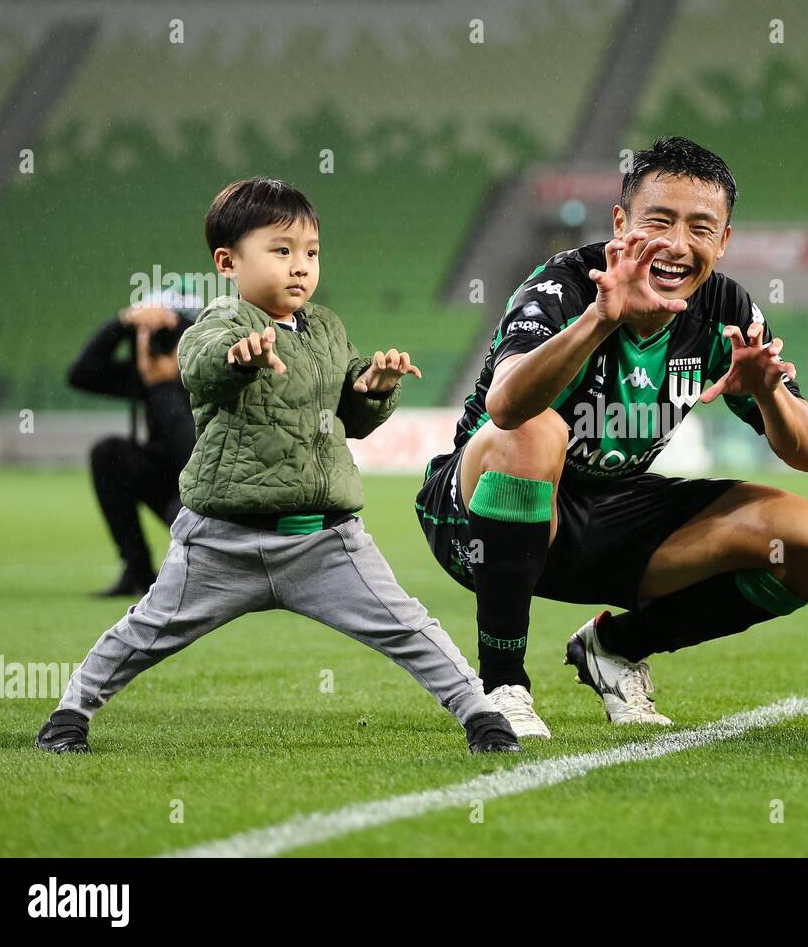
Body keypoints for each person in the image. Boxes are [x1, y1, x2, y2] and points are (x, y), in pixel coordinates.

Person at [37, 177, 519, 755]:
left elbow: (356, 416)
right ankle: (70, 713)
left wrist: (374, 386)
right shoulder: (220, 324)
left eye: (311, 252)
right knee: (145, 633)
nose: (300, 267)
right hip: (220, 544)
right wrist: (238, 359)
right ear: (227, 261)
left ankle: (482, 717)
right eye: (281, 250)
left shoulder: (328, 329)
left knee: (408, 627)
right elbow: (199, 367)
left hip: (326, 542)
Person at [416, 137, 808, 737]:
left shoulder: (724, 308)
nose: (676, 246)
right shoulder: (564, 286)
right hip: (477, 512)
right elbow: (506, 406)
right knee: (536, 432)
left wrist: (769, 391)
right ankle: (502, 686)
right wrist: (601, 318)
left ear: (723, 242)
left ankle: (614, 648)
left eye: (701, 228)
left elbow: (807, 454)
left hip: (609, 513)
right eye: (659, 221)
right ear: (620, 222)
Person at [68, 301, 196, 596]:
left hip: (208, 487)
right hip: (168, 482)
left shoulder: (212, 371)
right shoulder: (146, 372)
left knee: (184, 507)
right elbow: (81, 374)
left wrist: (164, 384)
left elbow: (190, 456)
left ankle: (210, 575)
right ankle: (137, 572)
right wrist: (122, 324)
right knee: (109, 453)